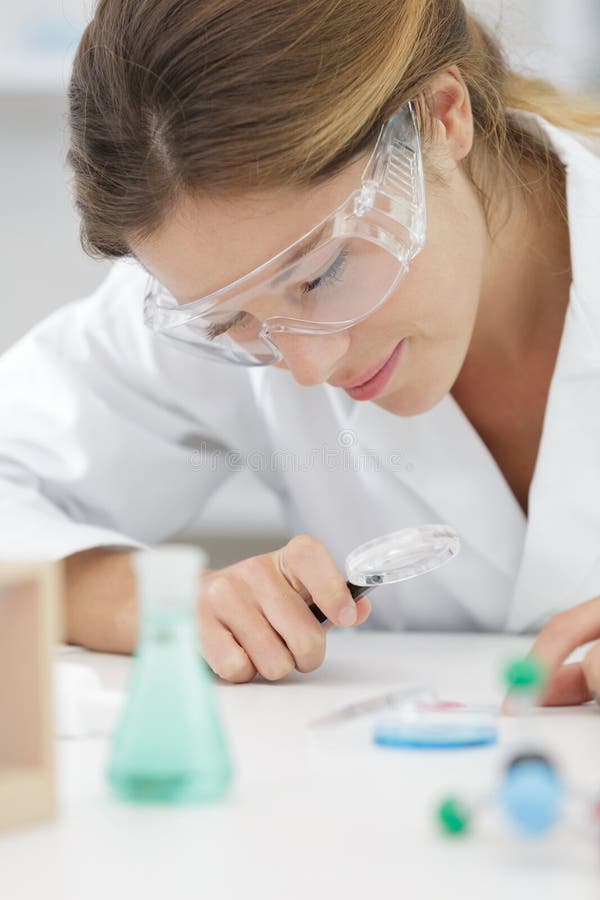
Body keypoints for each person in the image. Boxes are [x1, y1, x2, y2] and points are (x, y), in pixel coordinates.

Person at [1, 0, 599, 691]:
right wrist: (137, 597)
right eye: (232, 325)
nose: (309, 367)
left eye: (327, 273)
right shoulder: (223, 281)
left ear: (442, 115)